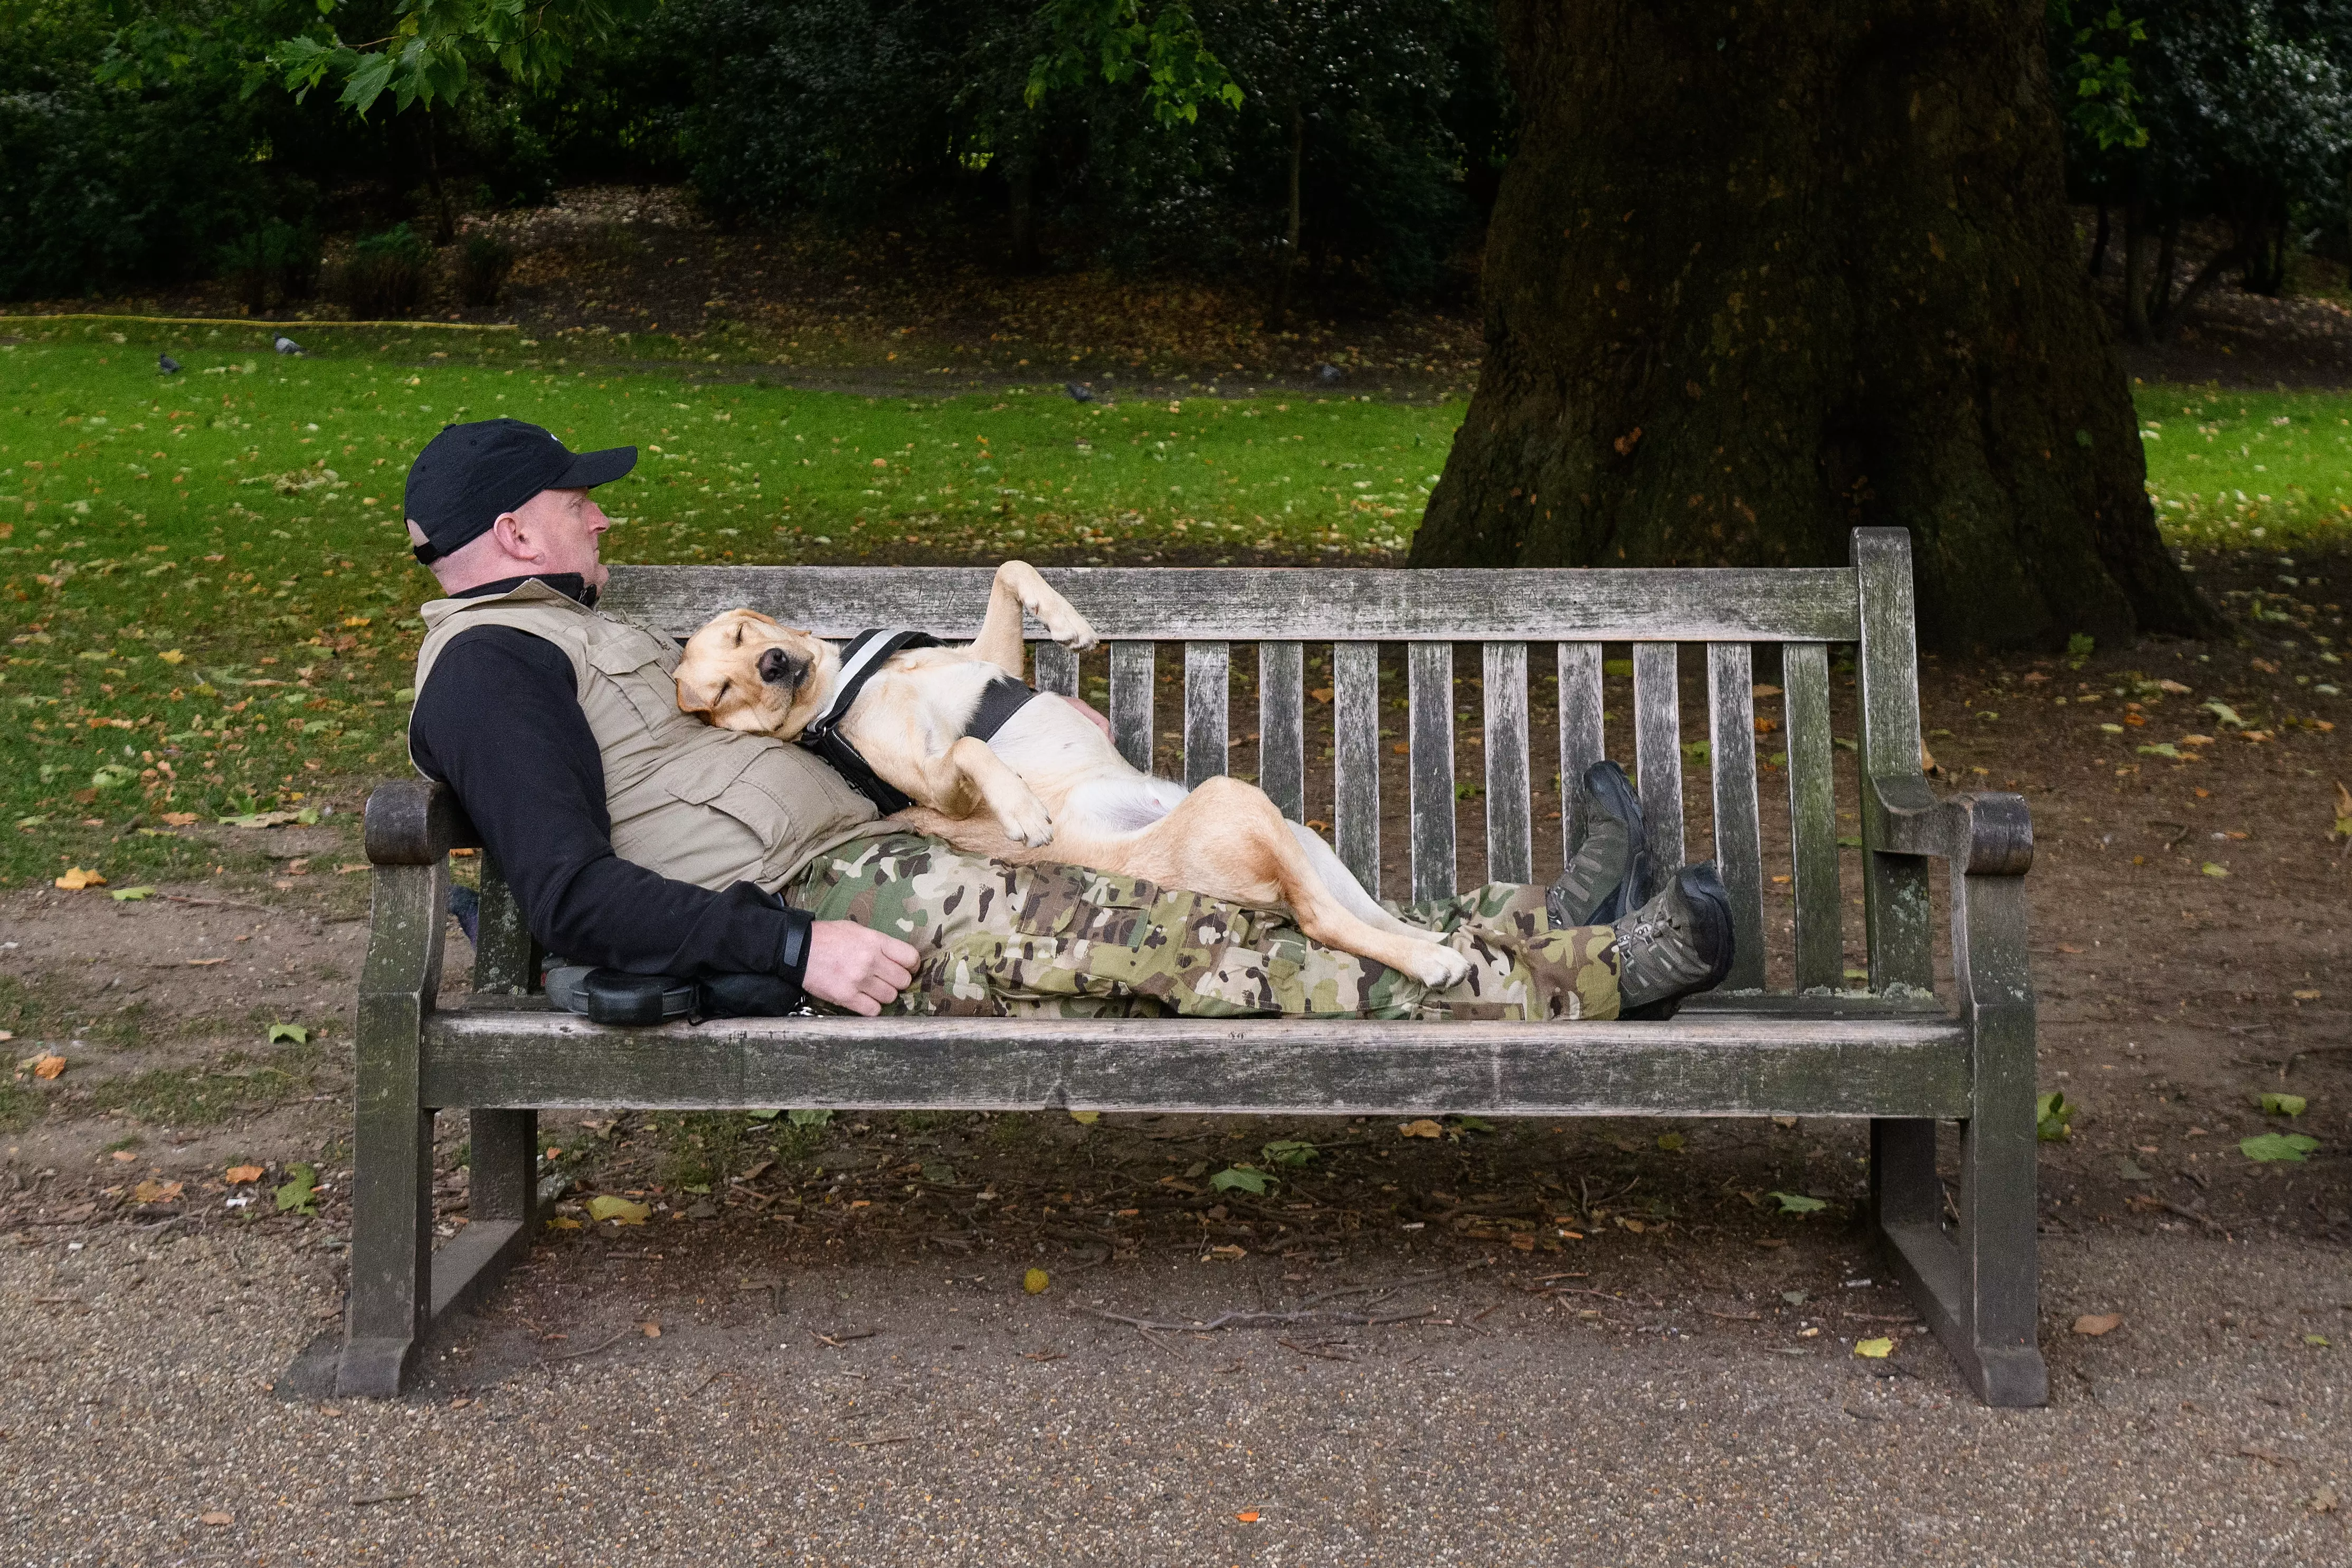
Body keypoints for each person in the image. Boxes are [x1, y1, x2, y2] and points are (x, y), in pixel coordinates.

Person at [402, 418, 1734, 1022]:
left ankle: (1541, 930)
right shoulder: (491, 673)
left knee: (1255, 870)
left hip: (928, 833)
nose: (603, 515)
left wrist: (1005, 737)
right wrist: (794, 947)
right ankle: (1596, 979)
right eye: (581, 504)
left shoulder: (580, 628)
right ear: (518, 531)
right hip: (855, 905)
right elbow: (570, 895)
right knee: (1202, 941)